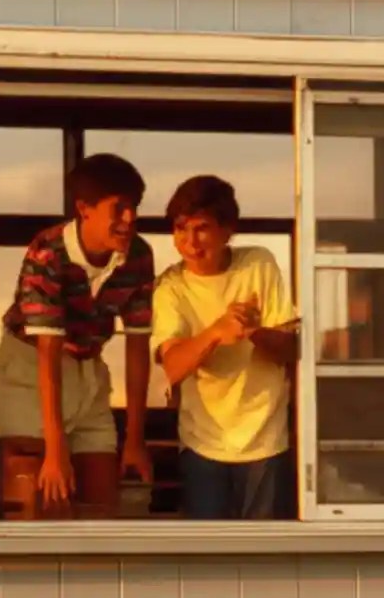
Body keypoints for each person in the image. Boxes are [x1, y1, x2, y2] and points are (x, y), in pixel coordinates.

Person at [0, 154, 154, 520]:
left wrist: (135, 441)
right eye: (119, 208)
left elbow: (138, 345)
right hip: (31, 368)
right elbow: (47, 350)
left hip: (88, 364)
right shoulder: (47, 252)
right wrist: (55, 450)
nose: (129, 219)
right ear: (85, 209)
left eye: (134, 208)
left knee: (102, 499)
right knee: (41, 497)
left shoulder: (139, 256)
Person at [151, 175, 298, 520]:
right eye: (180, 229)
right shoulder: (170, 287)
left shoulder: (259, 263)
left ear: (228, 230)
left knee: (265, 558)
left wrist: (253, 331)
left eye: (201, 229)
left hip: (267, 441)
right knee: (206, 562)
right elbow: (172, 367)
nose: (190, 242)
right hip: (202, 445)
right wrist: (216, 331)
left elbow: (291, 351)